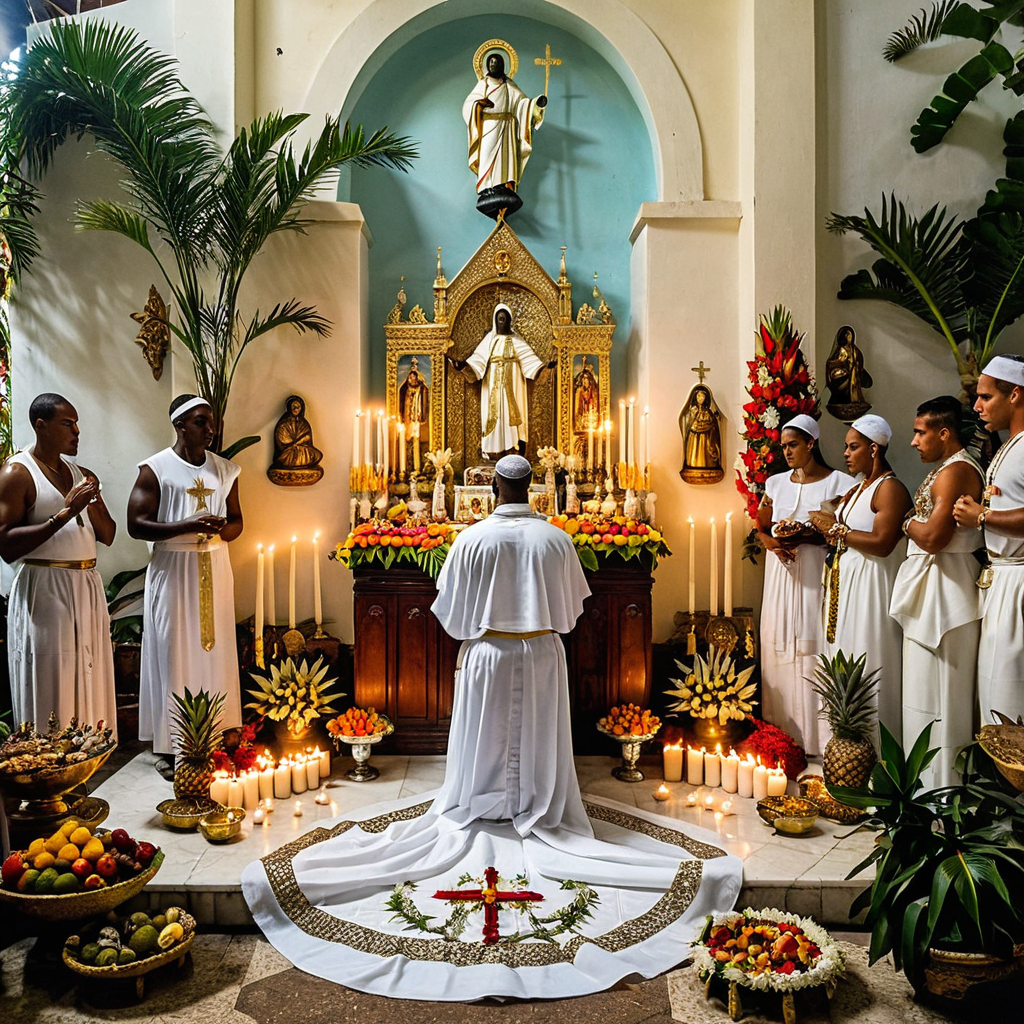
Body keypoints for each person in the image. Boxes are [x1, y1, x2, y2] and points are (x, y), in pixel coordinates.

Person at [241, 454, 741, 1001]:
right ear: (532, 486)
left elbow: (452, 616)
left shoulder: (472, 539)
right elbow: (572, 612)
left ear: (494, 486)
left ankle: (479, 801)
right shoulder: (555, 538)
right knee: (538, 738)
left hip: (487, 655)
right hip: (543, 653)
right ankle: (538, 804)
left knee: (483, 737)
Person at [130, 395, 244, 768]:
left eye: (211, 423)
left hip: (214, 565)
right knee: (173, 649)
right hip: (173, 569)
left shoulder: (225, 470)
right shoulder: (155, 469)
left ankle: (218, 733)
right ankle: (170, 745)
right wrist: (188, 526)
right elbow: (136, 524)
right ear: (179, 426)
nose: (210, 430)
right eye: (200, 423)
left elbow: (238, 520)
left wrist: (221, 530)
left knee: (216, 648)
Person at [0, 394, 117, 734]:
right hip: (46, 586)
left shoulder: (82, 474)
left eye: (77, 423)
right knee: (54, 673)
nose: (77, 432)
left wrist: (91, 503)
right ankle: (49, 757)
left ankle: (89, 749)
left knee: (89, 669)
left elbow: (107, 535)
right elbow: (6, 545)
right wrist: (66, 512)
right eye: (68, 424)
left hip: (86, 586)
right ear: (41, 426)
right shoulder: (17, 473)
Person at [890, 398, 984, 787]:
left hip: (947, 592)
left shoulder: (956, 471)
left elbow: (932, 536)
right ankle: (921, 792)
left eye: (919, 432)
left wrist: (906, 521)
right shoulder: (946, 469)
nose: (914, 442)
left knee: (943, 698)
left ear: (944, 433)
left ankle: (944, 797)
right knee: (921, 696)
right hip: (934, 587)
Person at [756, 415, 855, 754]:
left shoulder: (839, 482)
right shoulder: (775, 483)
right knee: (779, 642)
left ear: (811, 443)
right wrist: (773, 543)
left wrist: (807, 536)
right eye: (783, 446)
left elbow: (842, 532)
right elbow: (761, 529)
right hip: (781, 575)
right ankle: (781, 740)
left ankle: (820, 740)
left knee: (813, 644)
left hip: (816, 573)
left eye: (793, 445)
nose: (786, 452)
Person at [809, 414, 912, 739]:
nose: (845, 454)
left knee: (869, 656)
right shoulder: (858, 488)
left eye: (853, 447)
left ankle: (877, 752)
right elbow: (844, 530)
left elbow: (882, 543)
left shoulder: (889, 488)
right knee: (844, 655)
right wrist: (830, 525)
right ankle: (843, 746)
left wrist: (837, 531)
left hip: (872, 587)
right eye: (846, 447)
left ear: (874, 449)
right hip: (845, 585)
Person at [953, 354, 1024, 724]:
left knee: (1010, 693)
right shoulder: (1009, 444)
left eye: (985, 397)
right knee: (995, 691)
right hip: (1002, 577)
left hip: (1019, 579)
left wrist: (983, 516)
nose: (977, 407)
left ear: (1014, 394)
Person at [463, 50, 546, 211]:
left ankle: (503, 186)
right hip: (488, 127)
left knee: (505, 159)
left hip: (507, 128)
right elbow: (468, 105)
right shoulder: (483, 85)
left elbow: (523, 104)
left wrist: (536, 104)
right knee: (487, 155)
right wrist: (479, 104)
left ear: (503, 65)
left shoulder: (509, 86)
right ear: (487, 66)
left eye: (498, 63)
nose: (495, 66)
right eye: (492, 64)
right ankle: (487, 188)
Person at [462, 303, 545, 456]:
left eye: (504, 319)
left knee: (512, 418)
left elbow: (529, 360)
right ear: (495, 321)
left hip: (513, 388)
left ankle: (514, 449)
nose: (502, 322)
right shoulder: (489, 340)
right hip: (492, 387)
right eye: (499, 319)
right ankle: (494, 453)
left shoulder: (517, 341)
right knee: (494, 417)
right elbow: (478, 361)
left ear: (509, 321)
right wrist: (463, 366)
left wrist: (542, 368)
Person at [679, 384, 724, 483]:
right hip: (694, 437)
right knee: (695, 452)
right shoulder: (692, 411)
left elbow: (713, 424)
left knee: (706, 452)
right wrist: (696, 425)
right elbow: (688, 423)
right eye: (698, 396)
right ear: (695, 397)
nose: (701, 398)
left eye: (703, 396)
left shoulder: (708, 411)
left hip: (706, 437)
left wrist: (709, 424)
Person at [825, 325, 872, 419]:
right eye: (847, 335)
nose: (849, 337)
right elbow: (840, 360)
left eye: (850, 335)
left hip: (855, 373)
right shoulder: (842, 350)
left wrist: (856, 367)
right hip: (846, 372)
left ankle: (855, 399)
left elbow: (859, 360)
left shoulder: (855, 350)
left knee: (854, 385)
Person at [270, 395, 323, 470]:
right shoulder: (283, 424)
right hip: (288, 450)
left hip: (303, 449)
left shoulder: (304, 423)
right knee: (285, 457)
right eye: (293, 406)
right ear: (289, 408)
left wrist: (300, 442)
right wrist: (293, 444)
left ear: (301, 409)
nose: (295, 409)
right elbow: (281, 440)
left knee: (317, 455)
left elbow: (308, 437)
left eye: (298, 407)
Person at [573, 356, 599, 433]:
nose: (585, 381)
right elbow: (577, 408)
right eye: (584, 379)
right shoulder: (579, 391)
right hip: (582, 416)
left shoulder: (593, 391)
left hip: (590, 418)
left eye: (587, 379)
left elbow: (594, 403)